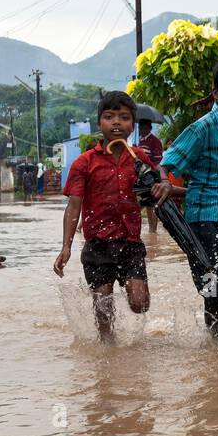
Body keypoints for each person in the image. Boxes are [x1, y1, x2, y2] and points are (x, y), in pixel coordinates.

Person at [154, 58, 218, 341]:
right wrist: (164, 182)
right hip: (203, 216)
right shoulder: (202, 128)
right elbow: (166, 163)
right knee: (212, 284)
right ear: (215, 93)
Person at [54, 91, 150, 343]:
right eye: (109, 117)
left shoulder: (139, 159)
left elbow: (155, 189)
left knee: (140, 303)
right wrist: (66, 247)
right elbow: (73, 207)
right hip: (98, 245)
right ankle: (107, 356)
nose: (116, 122)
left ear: (132, 124)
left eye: (124, 117)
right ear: (99, 123)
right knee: (103, 308)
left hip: (130, 243)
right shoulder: (84, 163)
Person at [138, 119, 165, 235]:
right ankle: (151, 230)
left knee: (152, 203)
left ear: (148, 128)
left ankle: (153, 230)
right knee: (147, 202)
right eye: (140, 128)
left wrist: (149, 165)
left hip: (152, 176)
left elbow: (158, 159)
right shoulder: (140, 141)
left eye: (143, 128)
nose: (140, 130)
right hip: (143, 176)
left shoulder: (154, 141)